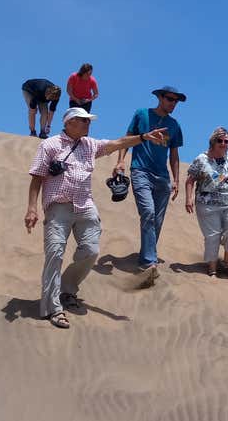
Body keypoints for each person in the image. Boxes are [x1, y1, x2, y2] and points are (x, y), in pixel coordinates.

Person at [25, 107, 166, 329]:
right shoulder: (49, 145)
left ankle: (67, 289)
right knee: (55, 254)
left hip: (85, 207)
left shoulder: (89, 145)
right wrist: (32, 208)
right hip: (58, 207)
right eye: (83, 121)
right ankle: (53, 308)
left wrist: (143, 137)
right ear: (69, 122)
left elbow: (118, 143)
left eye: (88, 121)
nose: (88, 124)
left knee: (91, 251)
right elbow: (37, 177)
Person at [114, 86, 186, 277]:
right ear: (160, 98)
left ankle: (146, 256)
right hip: (140, 171)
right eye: (170, 99)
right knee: (148, 212)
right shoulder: (142, 114)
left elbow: (174, 155)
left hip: (163, 178)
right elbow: (127, 138)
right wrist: (120, 160)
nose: (173, 103)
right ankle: (149, 262)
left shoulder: (174, 125)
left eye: (176, 101)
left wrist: (176, 180)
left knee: (157, 221)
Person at [184, 127, 228, 279]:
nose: (224, 144)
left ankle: (227, 262)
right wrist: (188, 199)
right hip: (207, 204)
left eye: (227, 141)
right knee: (213, 236)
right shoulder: (201, 159)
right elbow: (190, 180)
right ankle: (212, 270)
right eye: (220, 140)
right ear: (213, 141)